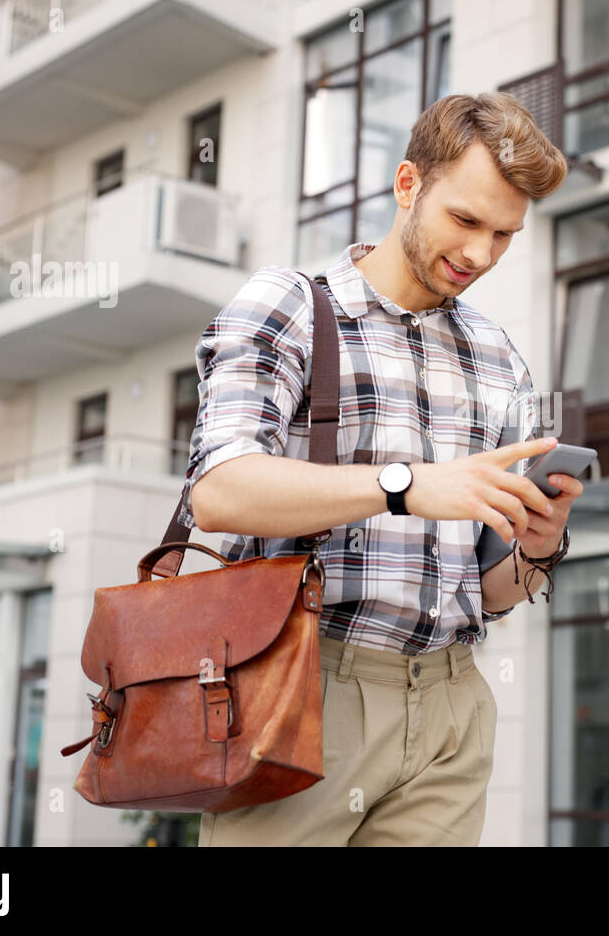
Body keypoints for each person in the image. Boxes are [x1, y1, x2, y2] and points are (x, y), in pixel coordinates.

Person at [180, 92, 579, 846]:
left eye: (504, 235)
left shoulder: (498, 356)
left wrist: (537, 543)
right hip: (302, 689)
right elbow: (220, 489)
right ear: (408, 186)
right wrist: (405, 485)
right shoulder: (293, 306)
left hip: (451, 704)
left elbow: (492, 595)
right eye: (466, 221)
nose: (482, 254)